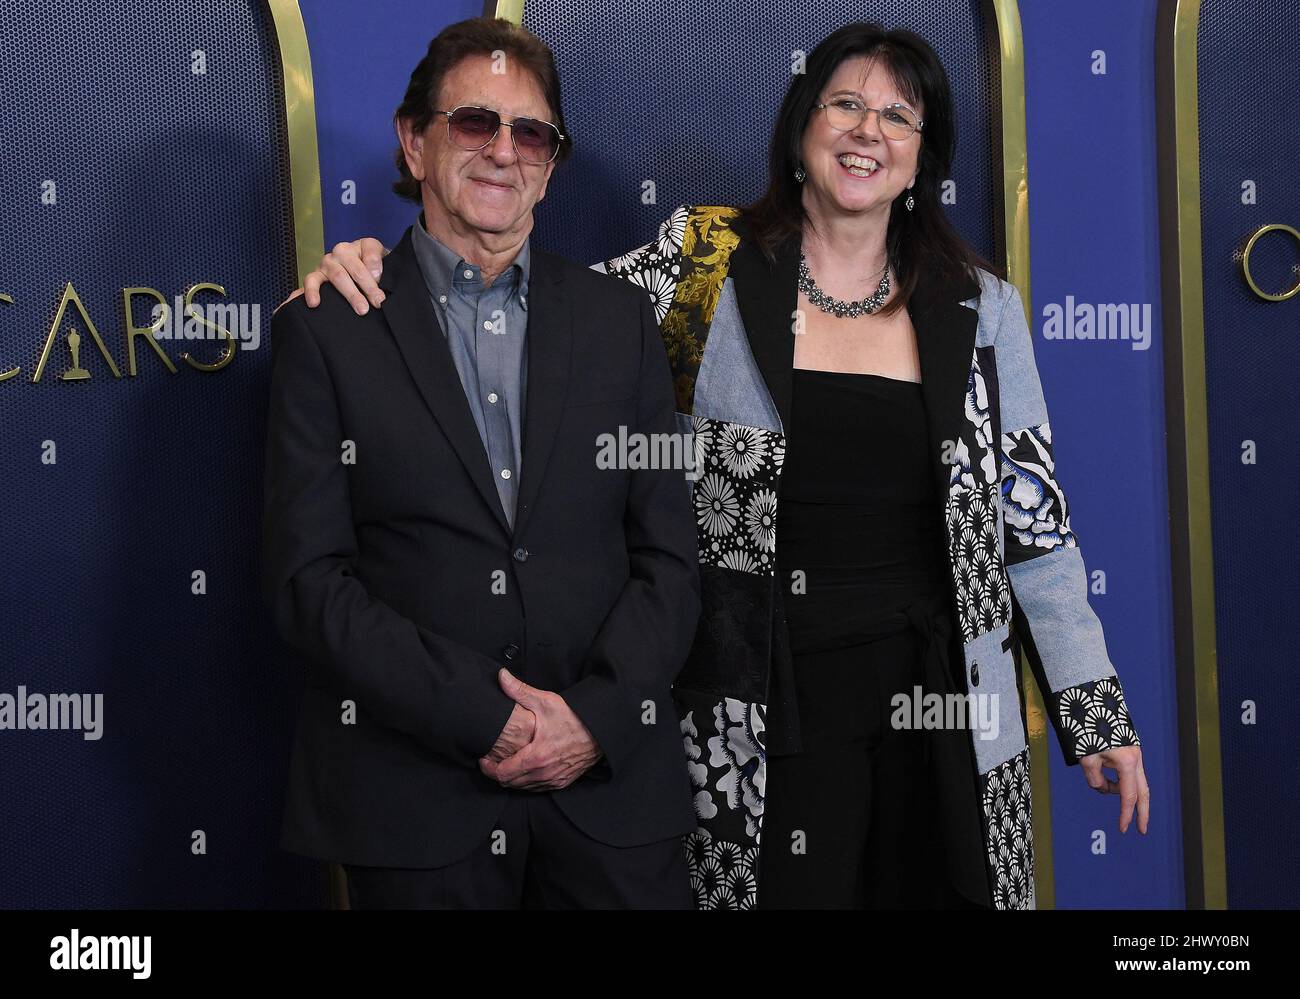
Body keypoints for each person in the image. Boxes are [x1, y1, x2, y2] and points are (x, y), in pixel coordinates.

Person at [298, 21, 1151, 910]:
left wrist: (1094, 715)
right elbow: (513, 304)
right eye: (846, 104)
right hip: (758, 710)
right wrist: (369, 276)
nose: (869, 131)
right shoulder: (703, 263)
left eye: (899, 116)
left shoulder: (982, 308)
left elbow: (1036, 528)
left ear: (922, 157)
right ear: (801, 126)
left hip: (942, 705)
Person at [262, 16, 701, 909]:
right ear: (413, 143)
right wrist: (486, 717)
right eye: (473, 122)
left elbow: (671, 561)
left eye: (529, 132)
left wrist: (592, 718)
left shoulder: (620, 323)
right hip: (416, 805)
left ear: (549, 165)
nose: (503, 150)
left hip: (612, 796)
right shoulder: (327, 329)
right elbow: (310, 584)